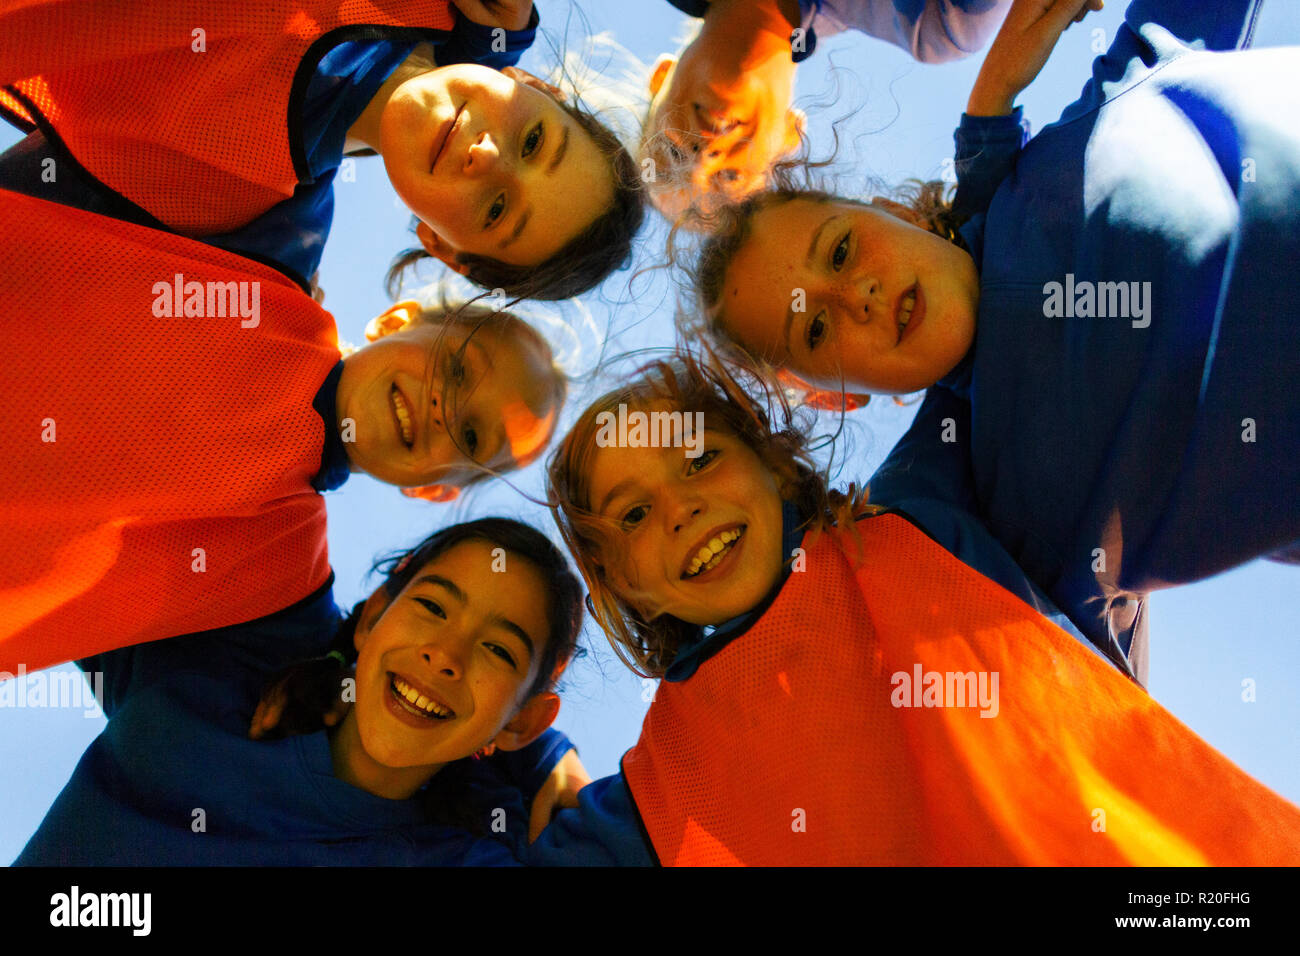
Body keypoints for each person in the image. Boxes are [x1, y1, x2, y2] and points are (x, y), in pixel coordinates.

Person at [686, 0, 1299, 680]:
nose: (857, 295)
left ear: (891, 212)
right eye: (817, 329)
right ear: (834, 399)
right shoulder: (972, 518)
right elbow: (1089, 709)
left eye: (840, 252)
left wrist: (991, 117)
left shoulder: (1087, 125)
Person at [530, 352, 1300, 865]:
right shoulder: (657, 789)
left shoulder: (916, 513)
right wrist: (526, 757)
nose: (681, 509)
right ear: (621, 585)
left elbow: (996, 337)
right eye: (634, 515)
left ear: (773, 463)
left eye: (701, 460)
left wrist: (814, 340)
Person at [0, 188, 564, 675]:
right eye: (458, 368)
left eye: (471, 436)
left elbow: (322, 711)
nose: (444, 409)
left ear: (432, 488)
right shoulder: (270, 256)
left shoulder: (279, 579)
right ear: (396, 321)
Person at [14, 518, 588, 865]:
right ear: (372, 618)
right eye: (433, 607)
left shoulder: (473, 853)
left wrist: (543, 758)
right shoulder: (223, 665)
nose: (446, 655)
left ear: (523, 720)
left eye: (498, 651)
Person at [0, 0, 645, 299]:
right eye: (534, 140)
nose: (487, 158)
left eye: (498, 209)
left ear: (443, 248)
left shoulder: (252, 224)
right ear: (535, 85)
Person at [642, 0, 1021, 219]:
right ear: (789, 135)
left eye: (673, 153)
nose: (703, 159)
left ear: (659, 78)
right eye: (728, 177)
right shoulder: (937, 21)